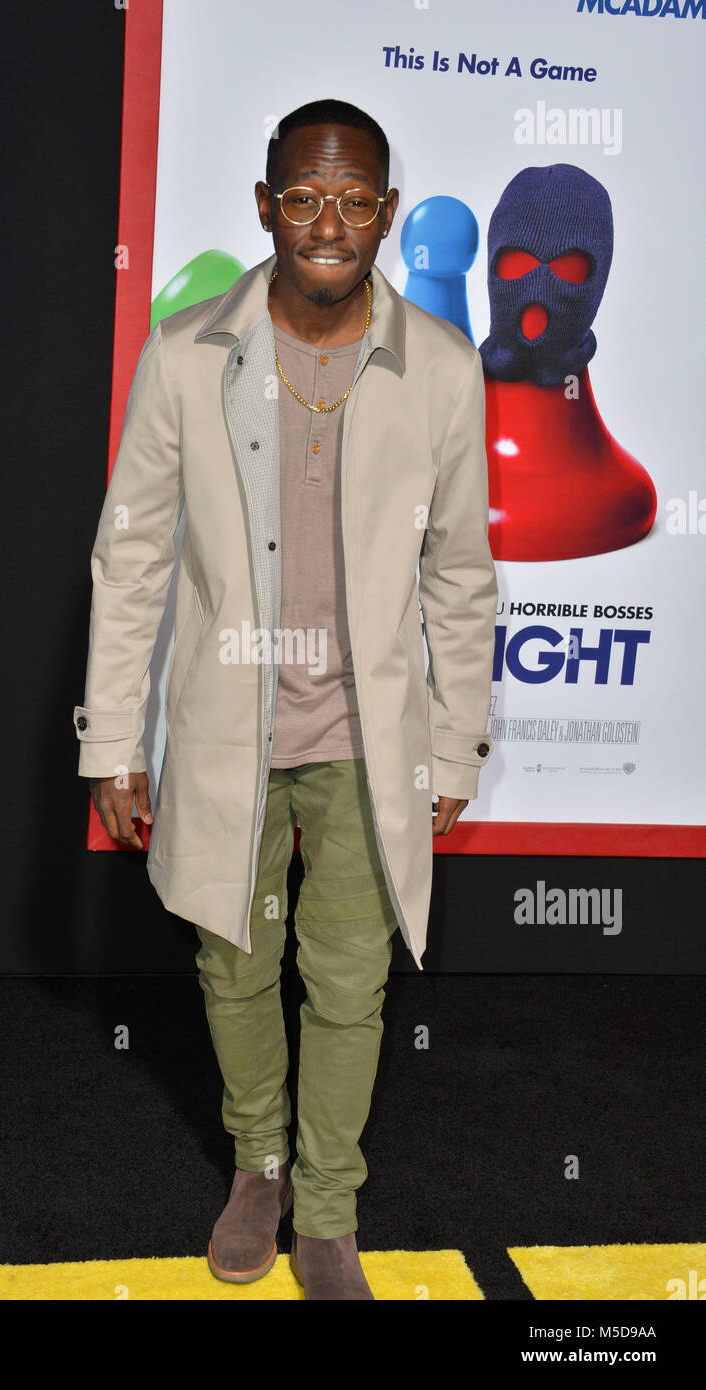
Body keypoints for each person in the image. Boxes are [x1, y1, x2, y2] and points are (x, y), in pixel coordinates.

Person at [73, 98, 497, 1300]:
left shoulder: (443, 370)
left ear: (387, 216)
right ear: (264, 205)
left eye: (354, 200)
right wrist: (113, 736)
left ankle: (325, 1208)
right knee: (233, 965)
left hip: (370, 738)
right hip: (226, 730)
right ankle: (255, 1162)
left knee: (351, 979)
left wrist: (456, 748)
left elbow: (460, 572)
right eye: (303, 197)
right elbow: (133, 556)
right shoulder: (188, 356)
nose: (328, 222)